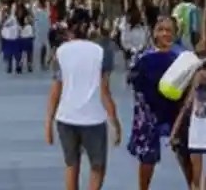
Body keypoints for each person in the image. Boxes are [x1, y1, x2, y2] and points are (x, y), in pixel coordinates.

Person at [45, 11, 121, 190]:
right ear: (89, 27)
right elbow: (104, 90)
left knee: (72, 165)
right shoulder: (102, 51)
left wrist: (48, 122)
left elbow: (56, 89)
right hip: (93, 118)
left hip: (66, 117)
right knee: (98, 166)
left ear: (69, 29)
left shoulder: (61, 52)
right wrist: (114, 121)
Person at [128, 17, 193, 190]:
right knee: (147, 156)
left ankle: (193, 186)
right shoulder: (144, 58)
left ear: (175, 33)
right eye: (161, 29)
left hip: (177, 109)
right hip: (149, 111)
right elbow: (135, 83)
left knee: (185, 153)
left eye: (169, 30)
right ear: (154, 33)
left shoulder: (182, 57)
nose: (165, 33)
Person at [173, 58, 206, 190]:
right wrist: (174, 133)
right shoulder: (195, 92)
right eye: (205, 70)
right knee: (196, 175)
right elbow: (184, 110)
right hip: (197, 138)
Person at [1, 5, 21, 74]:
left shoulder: (12, 18)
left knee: (14, 54)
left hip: (12, 38)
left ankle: (15, 67)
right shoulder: (10, 19)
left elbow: (5, 27)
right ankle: (12, 67)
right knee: (12, 54)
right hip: (11, 38)